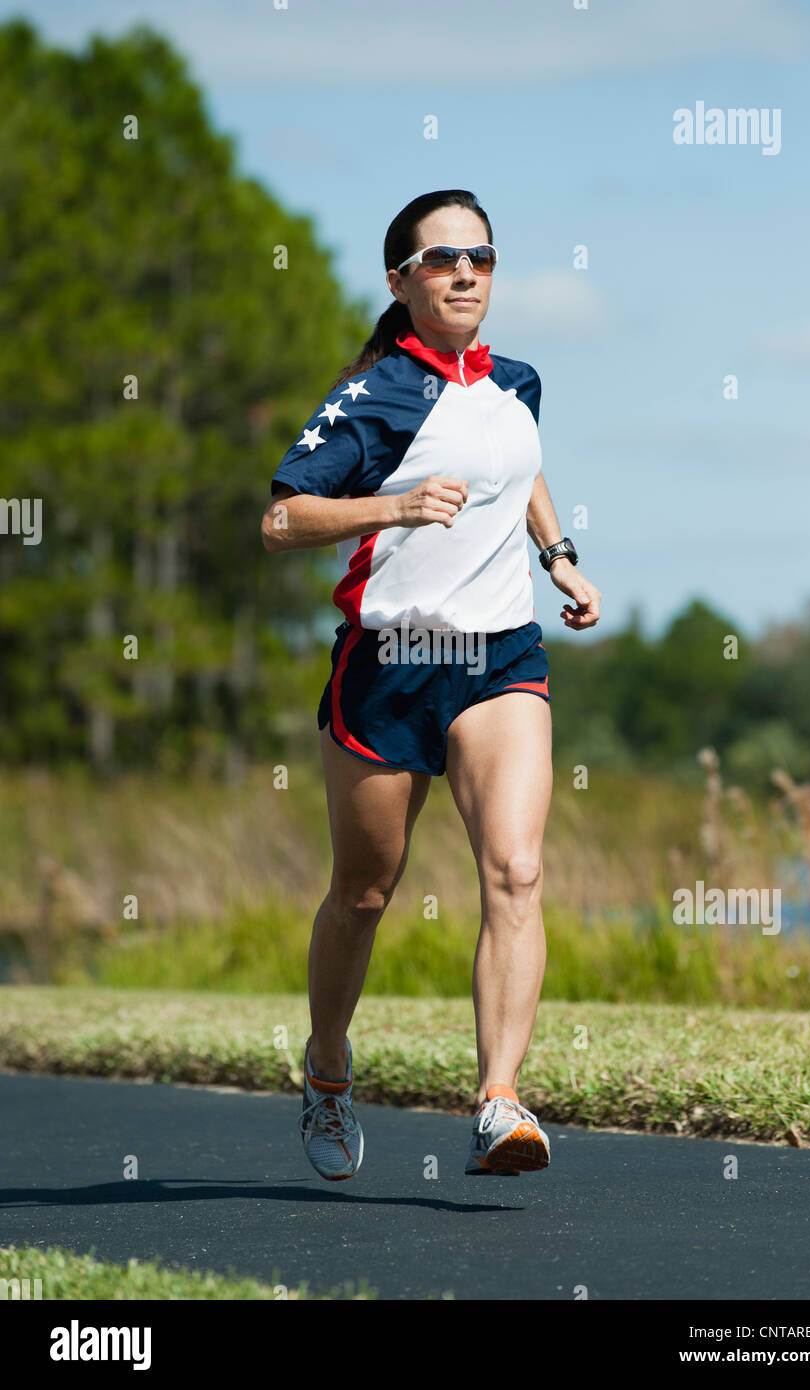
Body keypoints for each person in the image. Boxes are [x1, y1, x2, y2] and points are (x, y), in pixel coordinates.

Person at [261, 189, 601, 1179]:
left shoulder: (518, 382)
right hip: (389, 665)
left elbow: (517, 463)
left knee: (518, 870)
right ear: (401, 281)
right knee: (365, 894)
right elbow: (283, 520)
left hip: (499, 659)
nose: (465, 272)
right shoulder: (369, 401)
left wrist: (560, 555)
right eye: (443, 257)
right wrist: (396, 504)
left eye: (482, 256)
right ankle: (328, 1068)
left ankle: (498, 1099)